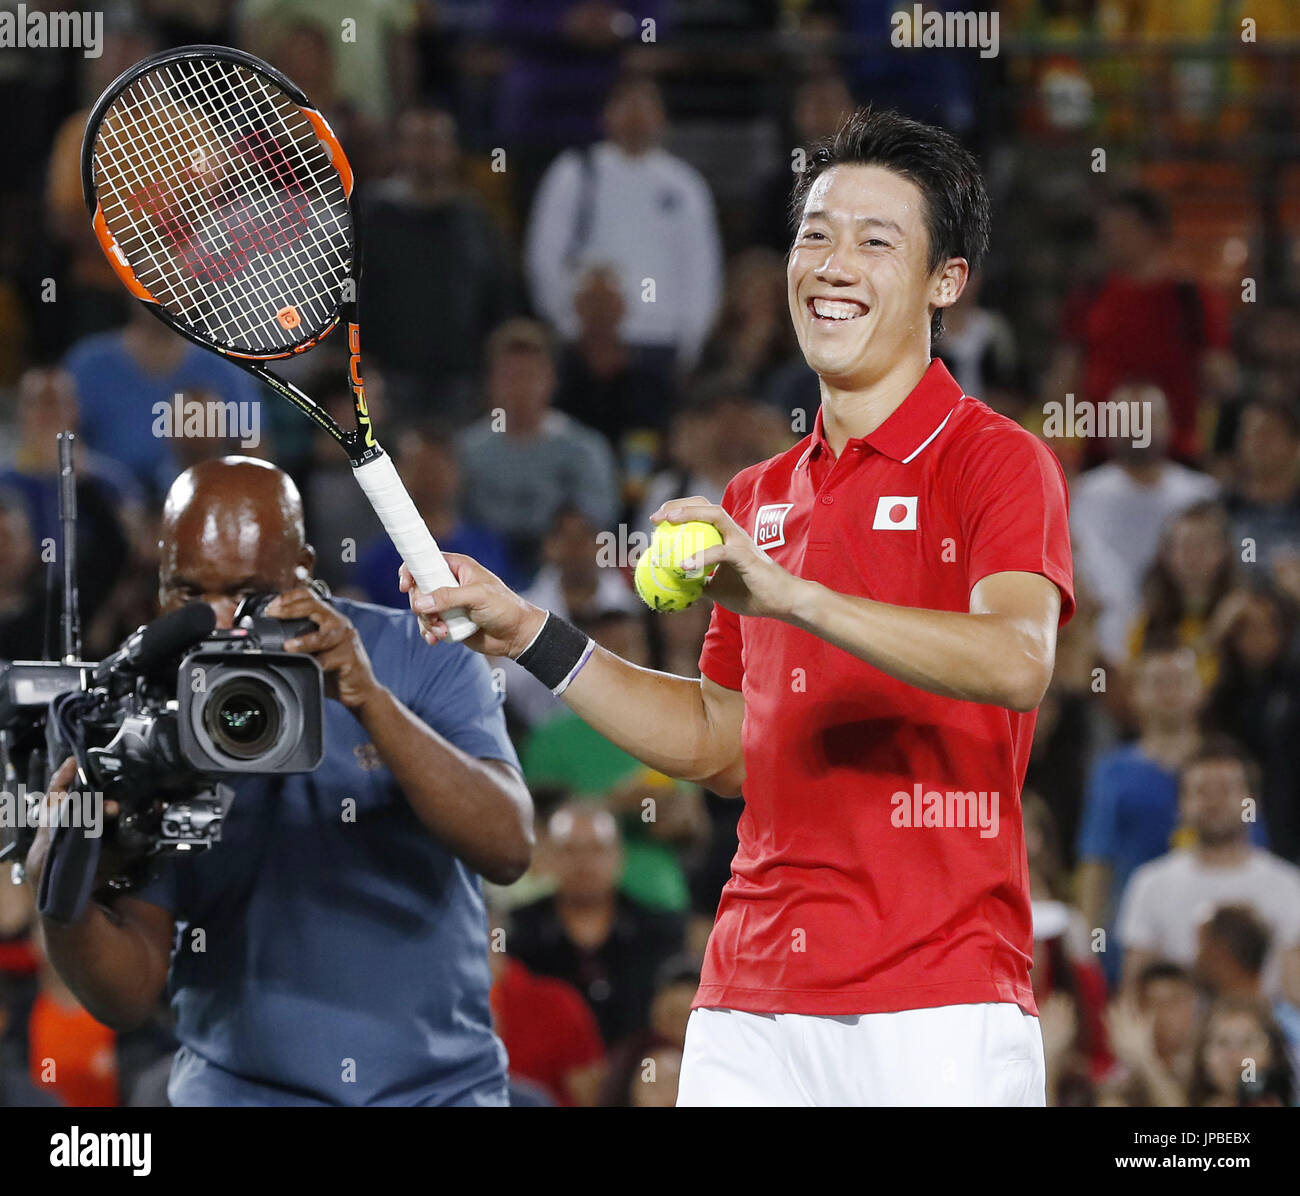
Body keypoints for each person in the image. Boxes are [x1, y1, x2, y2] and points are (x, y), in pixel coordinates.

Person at [405, 107, 1075, 1106]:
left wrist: (790, 593)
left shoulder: (995, 459)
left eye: (874, 240)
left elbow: (1018, 658)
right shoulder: (758, 495)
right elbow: (723, 743)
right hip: (747, 999)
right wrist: (530, 635)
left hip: (937, 1003)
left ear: (946, 282)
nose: (832, 262)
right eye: (815, 233)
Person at [24, 458, 533, 1106]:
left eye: (245, 591)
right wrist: (60, 895)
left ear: (305, 571)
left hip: (435, 1093)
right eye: (187, 592)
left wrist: (368, 699)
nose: (216, 619)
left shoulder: (418, 652)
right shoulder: (141, 709)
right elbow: (130, 990)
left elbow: (509, 846)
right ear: (157, 585)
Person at [524, 74, 723, 375]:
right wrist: (565, 322)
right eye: (626, 105)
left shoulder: (685, 184)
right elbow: (545, 254)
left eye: (645, 106)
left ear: (661, 117)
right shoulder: (575, 172)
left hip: (659, 335)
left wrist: (691, 341)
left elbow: (701, 265)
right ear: (606, 115)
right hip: (586, 336)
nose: (636, 116)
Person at [1116, 738, 1300, 1004]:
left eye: (1225, 790)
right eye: (1201, 791)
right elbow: (1134, 992)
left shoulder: (1287, 885)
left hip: (1264, 1032)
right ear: (1181, 805)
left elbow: (1295, 992)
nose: (1214, 802)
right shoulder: (1150, 884)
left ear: (1253, 803)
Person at [456, 319, 620, 583]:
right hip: (483, 569)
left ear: (551, 380)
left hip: (560, 572)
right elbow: (451, 523)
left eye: (529, 376)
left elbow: (599, 523)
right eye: (510, 377)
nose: (520, 388)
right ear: (491, 382)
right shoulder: (467, 450)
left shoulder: (584, 448)